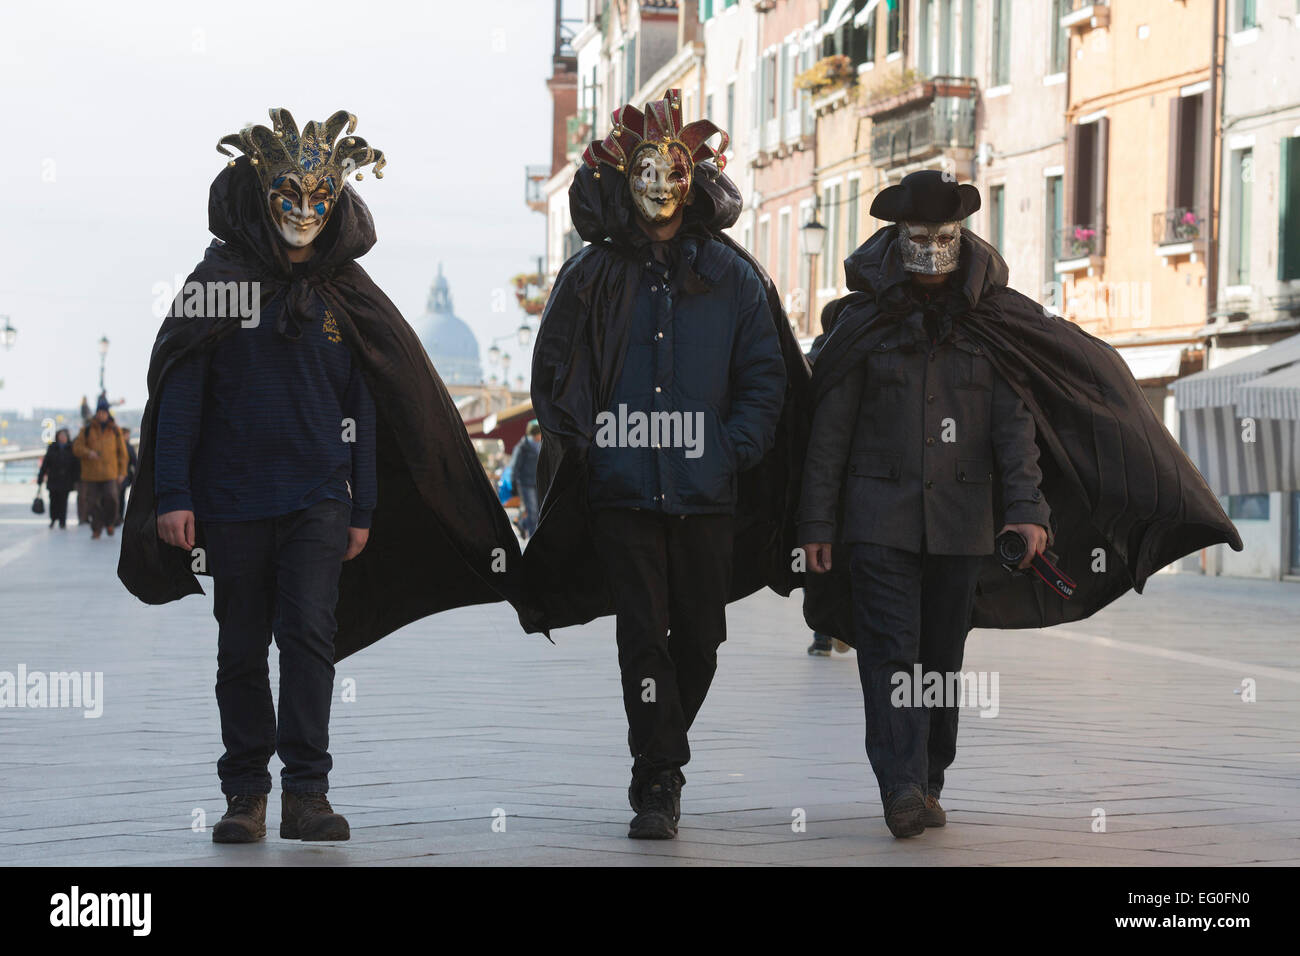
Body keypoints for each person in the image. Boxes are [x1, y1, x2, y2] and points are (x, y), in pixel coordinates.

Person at [120, 107, 536, 846]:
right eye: (291, 195)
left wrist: (362, 507)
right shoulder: (219, 282)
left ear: (337, 199)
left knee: (310, 638)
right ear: (263, 194)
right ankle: (246, 791)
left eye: (321, 197)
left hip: (319, 499)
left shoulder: (349, 293)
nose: (306, 212)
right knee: (240, 645)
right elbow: (180, 393)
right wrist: (175, 496)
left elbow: (368, 404)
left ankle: (307, 792)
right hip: (233, 499)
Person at [799, 169, 1241, 839]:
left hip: (962, 524)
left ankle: (930, 773)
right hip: (875, 522)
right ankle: (901, 785)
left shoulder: (997, 325)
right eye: (918, 235)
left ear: (961, 237)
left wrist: (1028, 512)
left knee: (940, 658)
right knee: (889, 653)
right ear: (896, 238)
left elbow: (1016, 432)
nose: (930, 247)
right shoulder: (861, 326)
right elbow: (828, 432)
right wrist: (815, 524)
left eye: (942, 235)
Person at [527, 90, 803, 840]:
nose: (659, 183)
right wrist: (593, 446)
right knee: (643, 636)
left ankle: (662, 751)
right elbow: (556, 374)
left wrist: (729, 449)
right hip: (623, 495)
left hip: (706, 496)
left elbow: (764, 379)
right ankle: (658, 779)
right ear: (625, 175)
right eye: (644, 168)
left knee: (701, 638)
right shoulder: (588, 278)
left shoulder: (735, 280)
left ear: (693, 176)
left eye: (672, 168)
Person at [72, 397, 128, 539]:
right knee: (92, 503)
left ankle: (109, 522)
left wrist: (122, 472)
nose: (101, 415)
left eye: (104, 412)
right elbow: (76, 448)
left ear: (108, 414)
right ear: (96, 413)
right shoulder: (86, 429)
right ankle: (97, 527)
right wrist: (88, 453)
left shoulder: (115, 430)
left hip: (110, 473)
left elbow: (123, 453)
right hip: (91, 474)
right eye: (99, 412)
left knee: (112, 498)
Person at [37, 428, 79, 529]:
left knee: (63, 501)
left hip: (66, 480)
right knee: (53, 500)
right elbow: (46, 464)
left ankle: (62, 521)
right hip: (54, 479)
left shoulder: (71, 448)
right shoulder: (52, 447)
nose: (63, 437)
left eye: (64, 436)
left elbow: (75, 466)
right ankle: (53, 519)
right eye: (61, 435)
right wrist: (41, 476)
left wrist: (76, 479)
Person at [508, 421, 542, 538]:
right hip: (526, 484)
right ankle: (533, 538)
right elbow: (515, 466)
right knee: (532, 512)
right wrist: (513, 483)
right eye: (538, 434)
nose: (540, 436)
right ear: (533, 434)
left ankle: (522, 524)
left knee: (538, 512)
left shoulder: (541, 445)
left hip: (537, 483)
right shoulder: (522, 447)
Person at [118, 427, 138, 523]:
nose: (127, 436)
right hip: (119, 474)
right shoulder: (126, 446)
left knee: (120, 496)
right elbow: (135, 461)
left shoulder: (128, 446)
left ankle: (119, 516)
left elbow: (134, 461)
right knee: (118, 496)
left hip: (124, 475)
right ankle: (118, 516)